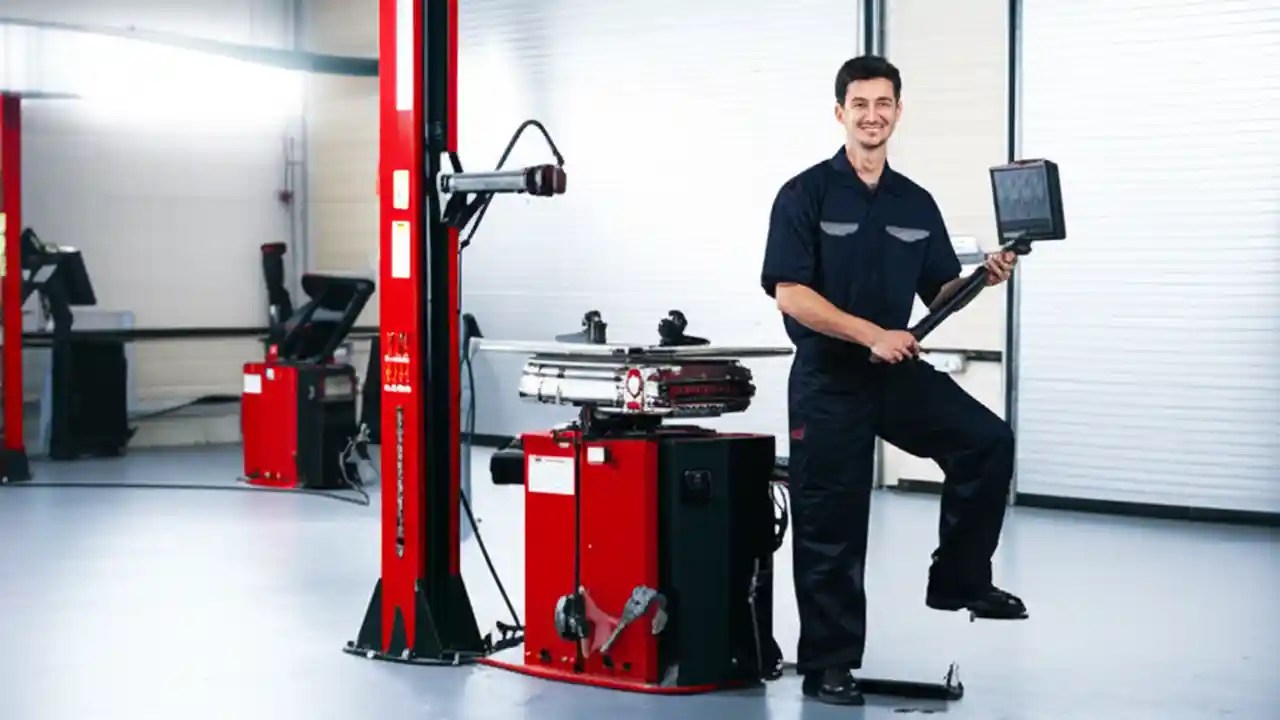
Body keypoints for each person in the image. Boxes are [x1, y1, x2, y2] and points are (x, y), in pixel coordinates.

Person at [760, 55, 1028, 706]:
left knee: (986, 441)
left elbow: (937, 285)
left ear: (898, 112)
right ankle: (828, 665)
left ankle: (959, 580)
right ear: (840, 113)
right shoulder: (805, 195)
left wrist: (978, 278)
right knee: (833, 523)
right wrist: (869, 332)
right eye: (860, 104)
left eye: (885, 103)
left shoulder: (915, 201)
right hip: (829, 378)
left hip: (893, 371)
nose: (873, 115)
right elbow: (791, 294)